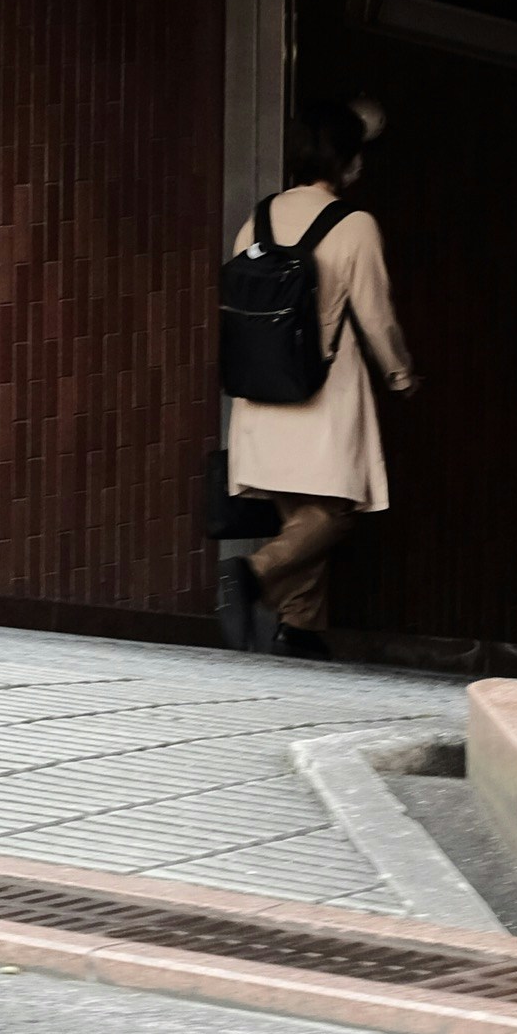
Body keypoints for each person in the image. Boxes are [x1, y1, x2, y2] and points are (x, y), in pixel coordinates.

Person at [217, 95, 418, 652]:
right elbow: (377, 318)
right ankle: (251, 574)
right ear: (346, 162)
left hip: (260, 398)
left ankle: (301, 639)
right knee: (330, 516)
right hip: (322, 400)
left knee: (302, 523)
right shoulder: (355, 225)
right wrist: (401, 375)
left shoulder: (256, 218)